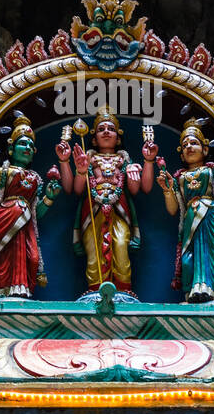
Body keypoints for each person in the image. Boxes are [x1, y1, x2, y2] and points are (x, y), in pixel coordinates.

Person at [55, 107, 156, 294]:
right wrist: (81, 170)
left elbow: (139, 190)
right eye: (101, 129)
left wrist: (146, 163)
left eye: (111, 129)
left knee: (120, 247)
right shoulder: (89, 159)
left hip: (120, 211)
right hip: (93, 211)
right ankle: (95, 291)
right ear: (93, 139)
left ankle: (124, 291)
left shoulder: (123, 159)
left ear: (118, 138)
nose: (107, 132)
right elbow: (76, 190)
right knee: (94, 251)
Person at [0, 116, 60, 298]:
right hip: (6, 217)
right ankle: (5, 291)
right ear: (11, 149)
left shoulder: (35, 178)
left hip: (26, 225)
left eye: (30, 146)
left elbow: (36, 213)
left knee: (32, 258)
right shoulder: (3, 172)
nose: (26, 148)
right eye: (22, 144)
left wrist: (49, 198)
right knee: (8, 255)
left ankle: (24, 291)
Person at [159, 121, 214, 302]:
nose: (189, 147)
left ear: (205, 150)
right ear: (181, 154)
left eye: (194, 143)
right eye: (185, 145)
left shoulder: (211, 171)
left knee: (211, 255)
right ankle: (192, 293)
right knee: (188, 260)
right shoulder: (179, 178)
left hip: (212, 217)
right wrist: (167, 190)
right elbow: (173, 209)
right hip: (191, 220)